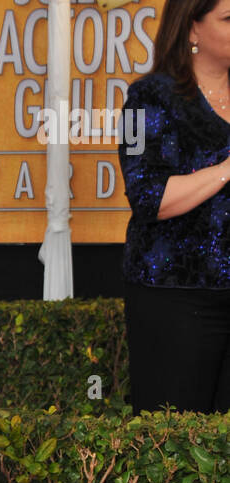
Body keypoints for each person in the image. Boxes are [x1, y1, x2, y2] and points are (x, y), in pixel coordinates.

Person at [118, 0, 230, 412]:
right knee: (172, 443)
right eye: (229, 18)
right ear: (192, 29)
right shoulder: (143, 98)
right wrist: (225, 170)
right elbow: (146, 197)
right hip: (174, 300)